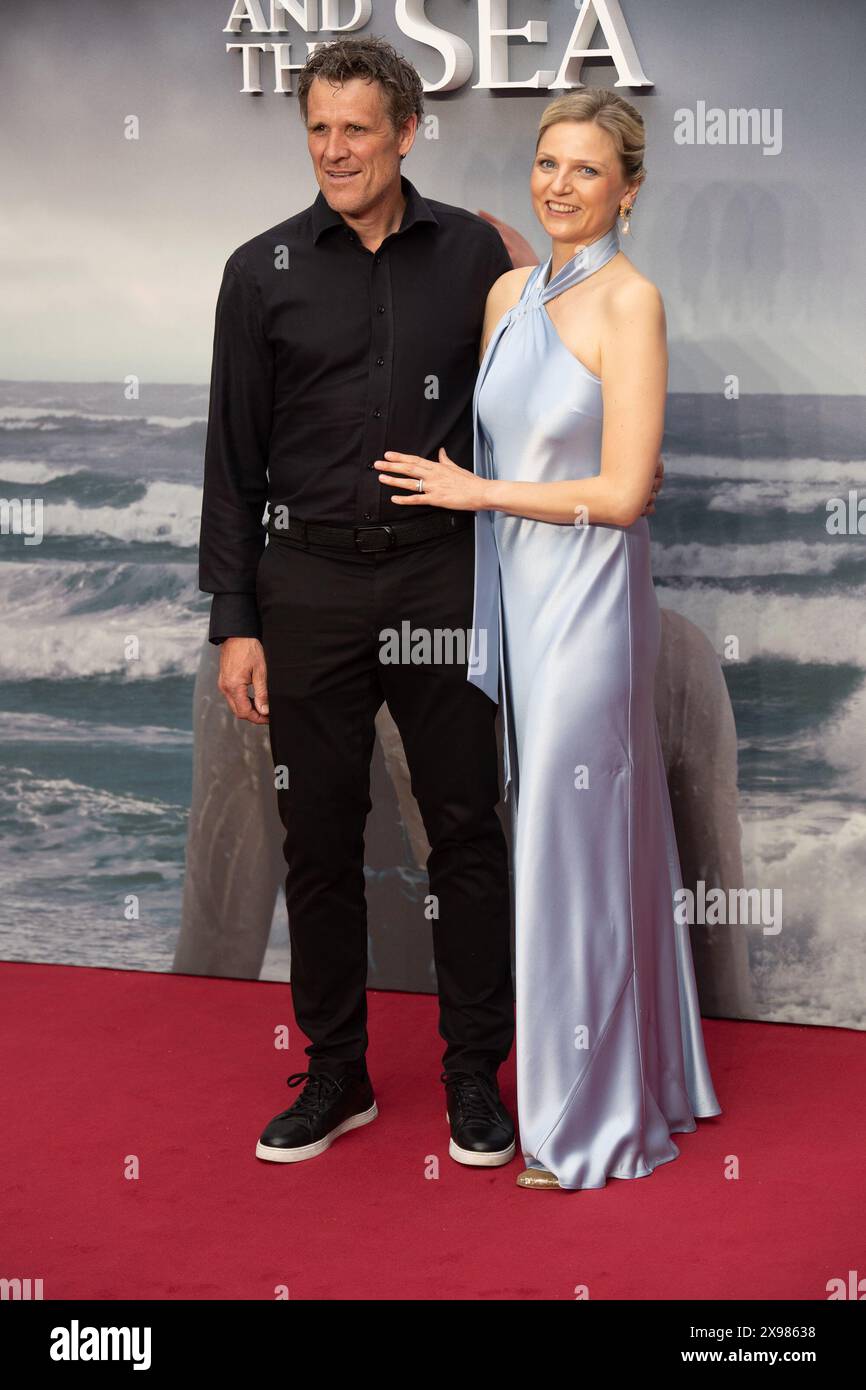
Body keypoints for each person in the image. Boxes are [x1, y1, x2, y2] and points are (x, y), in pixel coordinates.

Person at [198, 38, 663, 1169]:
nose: (334, 150)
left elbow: (550, 397)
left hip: (440, 576)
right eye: (317, 129)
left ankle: (474, 1075)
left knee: (463, 827)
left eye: (357, 129)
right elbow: (232, 461)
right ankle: (338, 1074)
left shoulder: (479, 260)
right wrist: (236, 619)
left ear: (407, 131)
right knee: (316, 834)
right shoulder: (256, 271)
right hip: (303, 584)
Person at [374, 88, 722, 1189]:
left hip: (587, 612)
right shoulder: (507, 295)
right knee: (575, 838)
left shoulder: (633, 303)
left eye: (583, 170)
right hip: (514, 605)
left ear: (627, 187)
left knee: (567, 849)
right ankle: (646, 1070)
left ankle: (588, 1119)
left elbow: (621, 495)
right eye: (545, 164)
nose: (558, 185)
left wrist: (476, 491)